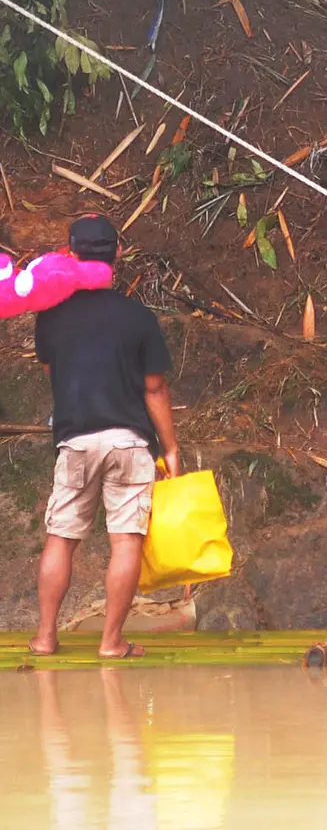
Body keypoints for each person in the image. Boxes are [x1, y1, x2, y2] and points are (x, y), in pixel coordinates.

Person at [30, 215, 180, 660]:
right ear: (117, 255)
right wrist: (170, 448)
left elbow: (50, 370)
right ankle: (112, 642)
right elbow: (154, 387)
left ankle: (45, 638)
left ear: (70, 252)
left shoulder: (51, 314)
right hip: (129, 442)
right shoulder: (138, 316)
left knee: (62, 537)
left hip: (76, 437)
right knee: (126, 540)